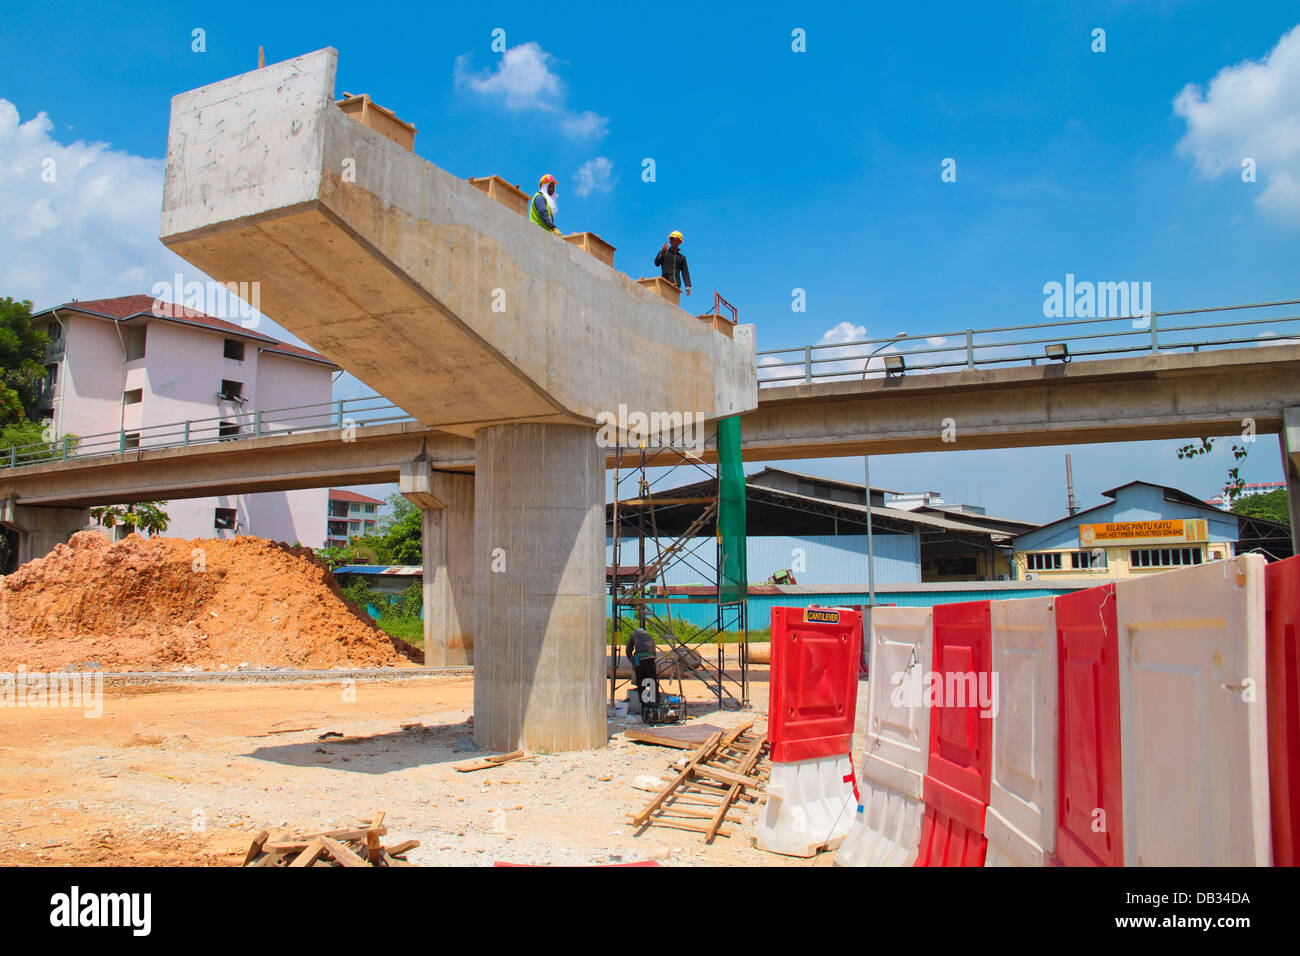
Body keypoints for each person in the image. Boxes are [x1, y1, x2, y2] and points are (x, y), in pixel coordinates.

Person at [625, 627, 658, 709]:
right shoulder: (648, 635)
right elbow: (653, 648)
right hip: (651, 659)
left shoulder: (634, 635)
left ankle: (644, 705)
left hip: (640, 660)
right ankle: (654, 703)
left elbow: (628, 649)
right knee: (652, 681)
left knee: (641, 682)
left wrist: (631, 659)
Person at [654, 230, 691, 296]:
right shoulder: (665, 253)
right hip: (665, 283)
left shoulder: (681, 257)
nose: (672, 241)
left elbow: (685, 273)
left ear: (679, 241)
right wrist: (661, 252)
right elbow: (657, 263)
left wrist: (688, 286)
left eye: (674, 239)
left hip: (676, 286)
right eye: (671, 239)